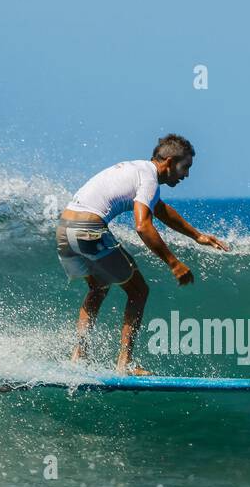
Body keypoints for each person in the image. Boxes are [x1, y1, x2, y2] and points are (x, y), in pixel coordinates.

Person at [57, 133, 229, 374]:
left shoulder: (138, 170)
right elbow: (143, 225)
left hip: (65, 229)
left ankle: (78, 356)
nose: (186, 175)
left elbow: (159, 209)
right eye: (185, 167)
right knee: (139, 291)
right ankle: (125, 363)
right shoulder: (148, 178)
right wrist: (174, 263)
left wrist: (196, 236)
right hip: (89, 228)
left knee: (98, 288)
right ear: (169, 162)